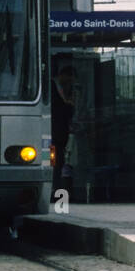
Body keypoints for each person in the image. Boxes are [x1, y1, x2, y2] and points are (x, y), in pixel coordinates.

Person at [51, 65, 78, 200]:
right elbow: (60, 109)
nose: (70, 84)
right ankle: (55, 191)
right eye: (69, 80)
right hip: (55, 134)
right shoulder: (52, 86)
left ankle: (57, 191)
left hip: (59, 135)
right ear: (64, 75)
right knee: (55, 163)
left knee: (59, 163)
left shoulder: (60, 88)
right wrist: (69, 105)